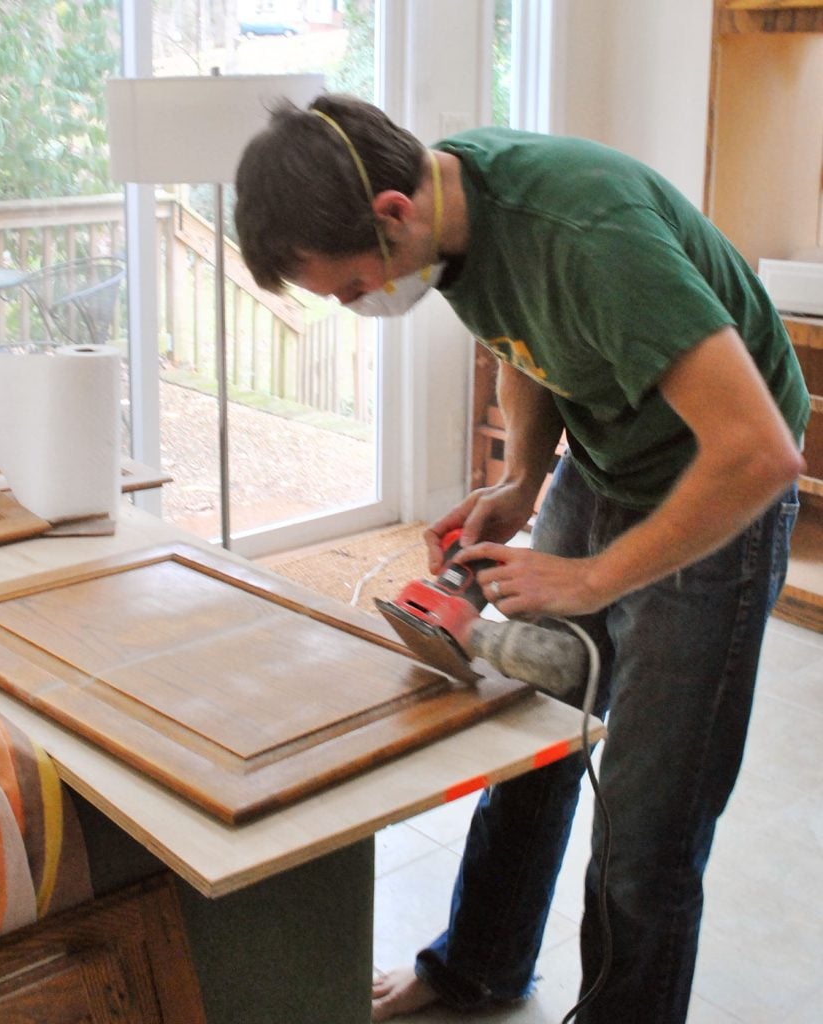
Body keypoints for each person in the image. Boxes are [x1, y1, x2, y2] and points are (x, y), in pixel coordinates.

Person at [234, 94, 809, 1024]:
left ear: (392, 214)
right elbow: (522, 344)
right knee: (529, 746)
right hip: (607, 458)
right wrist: (522, 479)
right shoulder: (452, 214)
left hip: (721, 487)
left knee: (646, 833)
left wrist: (590, 578)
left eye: (347, 290)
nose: (354, 307)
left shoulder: (587, 234)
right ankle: (478, 969)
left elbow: (761, 451)